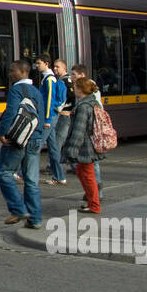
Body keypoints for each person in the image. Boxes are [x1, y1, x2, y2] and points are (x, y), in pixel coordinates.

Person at [0, 60, 44, 225]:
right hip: (35, 138)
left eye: (12, 70)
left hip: (19, 139)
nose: (10, 74)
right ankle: (35, 219)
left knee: (5, 173)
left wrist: (2, 132)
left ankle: (18, 209)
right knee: (31, 181)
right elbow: (41, 116)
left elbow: (11, 112)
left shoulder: (16, 89)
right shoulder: (37, 92)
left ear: (24, 72)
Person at [60, 77, 103, 215]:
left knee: (88, 175)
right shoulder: (91, 102)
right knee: (82, 172)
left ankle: (94, 205)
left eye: (75, 87)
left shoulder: (84, 107)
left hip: (85, 147)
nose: (73, 90)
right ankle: (92, 202)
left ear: (81, 89)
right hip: (87, 145)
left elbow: (79, 130)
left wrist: (72, 149)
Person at [68, 64, 104, 199]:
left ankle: (95, 193)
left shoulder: (88, 88)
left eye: (74, 74)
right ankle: (92, 192)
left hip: (89, 134)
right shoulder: (81, 89)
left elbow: (94, 109)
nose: (71, 77)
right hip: (88, 132)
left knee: (92, 165)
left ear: (82, 75)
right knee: (88, 166)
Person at [33, 54, 67, 184]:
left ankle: (23, 174)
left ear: (46, 64)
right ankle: (59, 177)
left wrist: (47, 120)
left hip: (49, 117)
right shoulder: (47, 78)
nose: (37, 66)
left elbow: (49, 102)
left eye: (39, 63)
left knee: (37, 145)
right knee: (53, 149)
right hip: (50, 116)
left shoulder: (49, 79)